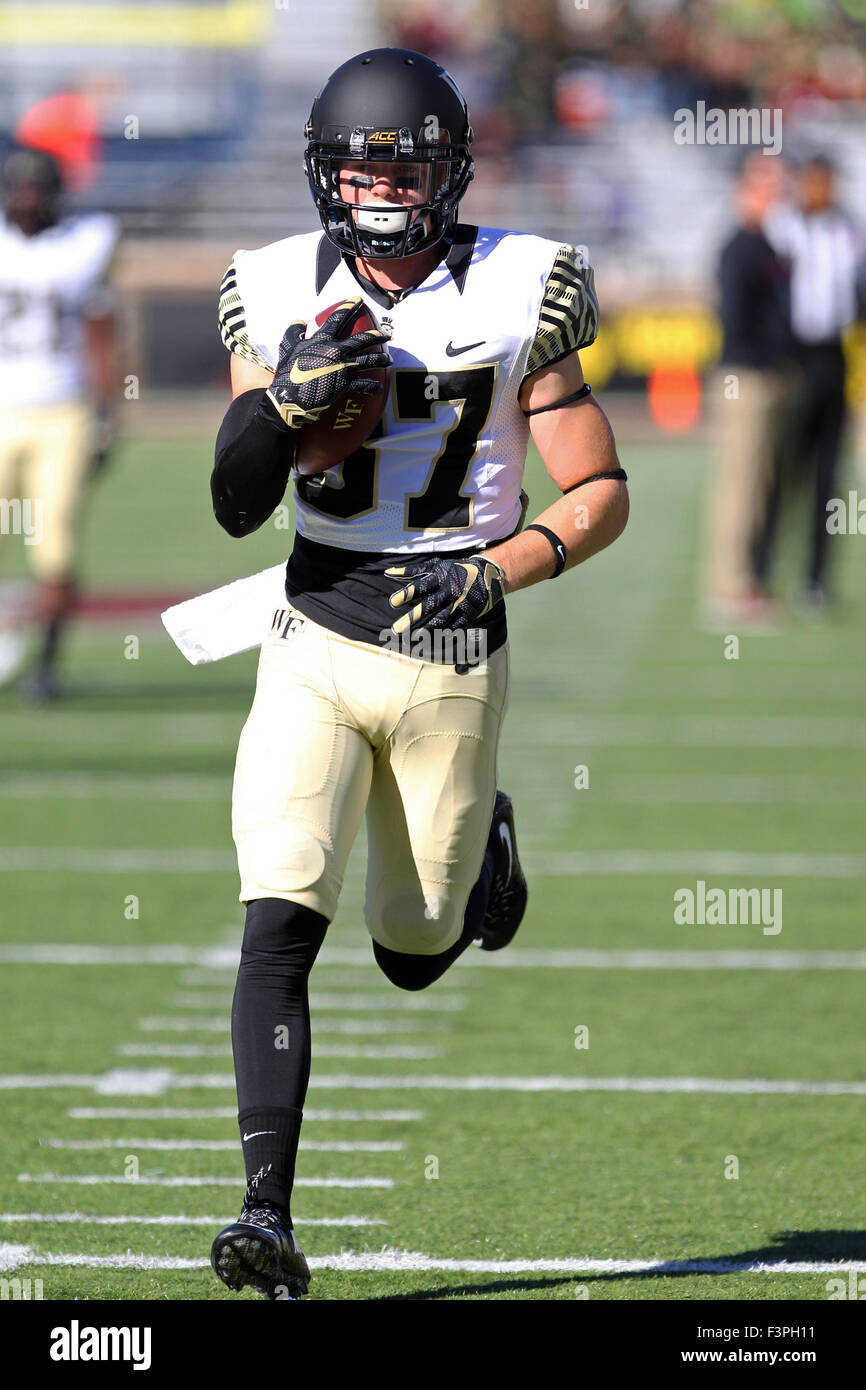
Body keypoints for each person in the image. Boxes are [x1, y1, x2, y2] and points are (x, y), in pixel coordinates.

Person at [206, 47, 629, 1299]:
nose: (383, 185)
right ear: (324, 173)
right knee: (278, 920)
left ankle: (481, 852)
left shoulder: (522, 284)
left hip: (451, 636)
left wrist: (508, 566)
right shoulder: (272, 284)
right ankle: (263, 1214)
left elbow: (599, 489)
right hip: (312, 632)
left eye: (406, 160)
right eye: (361, 161)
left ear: (451, 169)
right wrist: (279, 407)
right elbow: (235, 505)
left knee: (412, 940)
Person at [0, 144, 118, 700]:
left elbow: (100, 330)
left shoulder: (83, 245)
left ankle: (44, 667)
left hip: (62, 413)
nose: (26, 200)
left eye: (35, 190)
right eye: (18, 189)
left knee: (55, 547)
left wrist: (109, 413)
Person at [758, 154, 864, 608]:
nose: (822, 190)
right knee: (781, 469)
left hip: (833, 357)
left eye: (828, 182)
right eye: (815, 182)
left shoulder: (849, 230)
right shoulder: (782, 228)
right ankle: (761, 573)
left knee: (827, 474)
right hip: (792, 358)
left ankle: (816, 581)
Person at [701, 151, 793, 625]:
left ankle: (746, 581)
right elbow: (736, 320)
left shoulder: (763, 242)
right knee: (742, 485)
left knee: (758, 485)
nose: (776, 191)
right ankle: (729, 588)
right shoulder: (741, 245)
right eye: (766, 182)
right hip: (746, 378)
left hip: (761, 375)